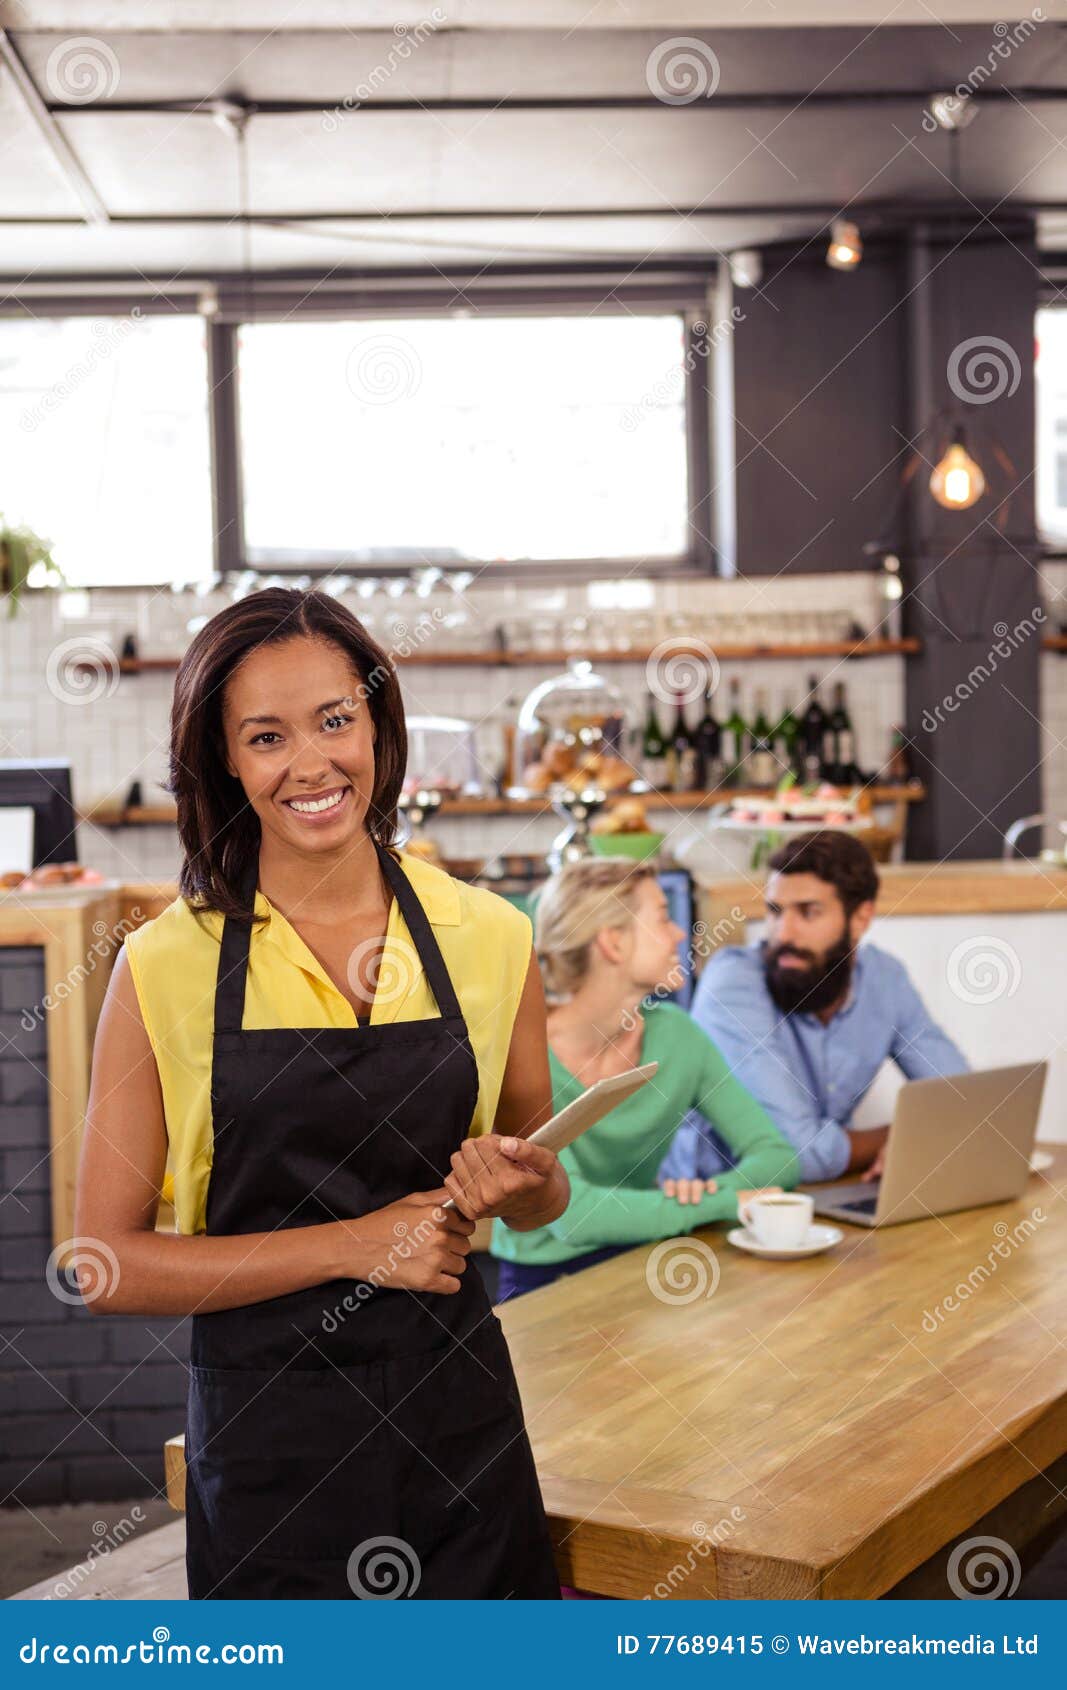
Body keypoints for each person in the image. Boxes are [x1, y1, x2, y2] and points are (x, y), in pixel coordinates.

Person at [76, 587, 569, 1601]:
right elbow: (104, 1265)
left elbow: (540, 1193)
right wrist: (356, 1247)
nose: (310, 763)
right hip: (272, 1454)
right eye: (266, 736)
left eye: (335, 720)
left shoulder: (491, 935)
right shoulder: (162, 965)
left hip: (460, 1430)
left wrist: (521, 1183)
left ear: (376, 726)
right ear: (224, 760)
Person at [489, 857, 798, 1300]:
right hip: (541, 1280)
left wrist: (699, 1195)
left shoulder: (678, 1037)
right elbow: (573, 1217)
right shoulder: (523, 1053)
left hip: (641, 1253)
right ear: (613, 942)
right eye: (663, 917)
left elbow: (778, 1158)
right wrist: (723, 1202)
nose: (679, 934)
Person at [659, 830, 969, 1191]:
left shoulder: (885, 980)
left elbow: (962, 1098)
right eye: (775, 911)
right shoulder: (733, 983)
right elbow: (797, 1154)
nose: (784, 934)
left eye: (808, 912)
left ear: (861, 918)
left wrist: (934, 1132)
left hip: (819, 1196)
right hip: (712, 1207)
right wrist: (904, 1136)